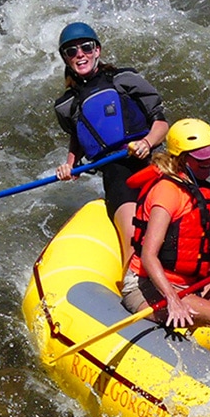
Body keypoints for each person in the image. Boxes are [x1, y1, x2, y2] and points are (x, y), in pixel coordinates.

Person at [121, 118, 210, 359]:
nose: (208, 161)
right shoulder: (167, 191)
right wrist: (173, 300)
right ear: (181, 158)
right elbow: (149, 255)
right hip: (146, 286)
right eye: (200, 157)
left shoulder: (199, 189)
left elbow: (204, 242)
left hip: (188, 283)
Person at [53, 22, 169, 264]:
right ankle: (133, 279)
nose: (80, 54)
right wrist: (69, 166)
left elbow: (161, 123)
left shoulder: (124, 79)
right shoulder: (67, 105)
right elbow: (78, 139)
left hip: (150, 162)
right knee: (134, 236)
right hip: (116, 173)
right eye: (72, 51)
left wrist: (147, 142)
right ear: (66, 59)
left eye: (86, 47)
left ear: (97, 50)